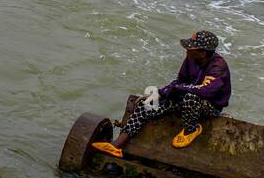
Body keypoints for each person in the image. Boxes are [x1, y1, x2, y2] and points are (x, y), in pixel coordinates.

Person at [92, 30, 232, 157]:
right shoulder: (191, 59)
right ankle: (118, 145)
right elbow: (180, 81)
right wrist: (160, 93)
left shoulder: (218, 67)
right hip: (187, 98)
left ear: (203, 53)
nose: (186, 50)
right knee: (146, 105)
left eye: (191, 48)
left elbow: (205, 91)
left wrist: (178, 89)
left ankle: (191, 129)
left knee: (191, 98)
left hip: (209, 106)